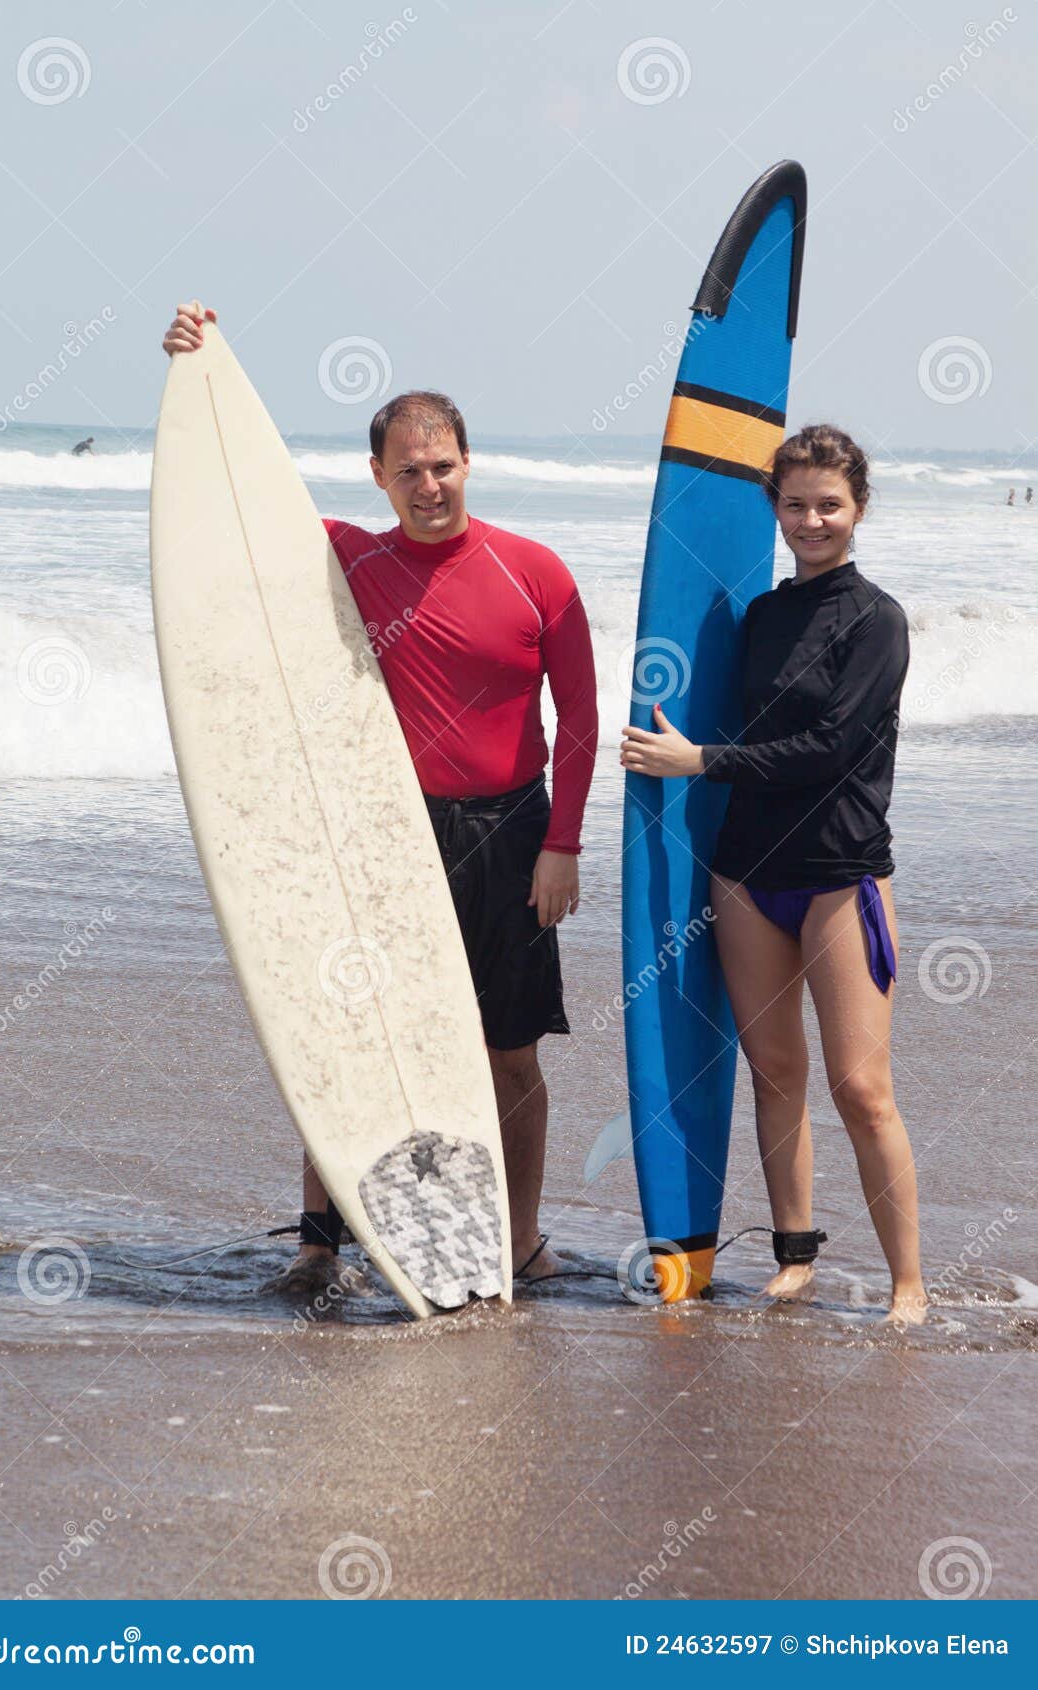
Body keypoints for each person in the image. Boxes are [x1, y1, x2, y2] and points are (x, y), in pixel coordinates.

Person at [162, 301, 598, 1296]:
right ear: (378, 477)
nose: (428, 484)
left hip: (509, 834)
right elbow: (229, 497)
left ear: (467, 461)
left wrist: (561, 844)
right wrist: (199, 369)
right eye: (407, 469)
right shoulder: (349, 557)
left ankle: (516, 1238)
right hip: (384, 836)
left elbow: (576, 717)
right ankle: (322, 1236)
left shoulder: (532, 572)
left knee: (506, 1054)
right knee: (351, 1033)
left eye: (441, 464)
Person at [620, 424, 927, 1326]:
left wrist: (699, 763)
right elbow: (719, 714)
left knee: (861, 1089)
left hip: (840, 872)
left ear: (857, 509)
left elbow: (829, 748)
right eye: (793, 504)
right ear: (774, 509)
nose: (810, 520)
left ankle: (908, 1283)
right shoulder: (759, 617)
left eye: (827, 504)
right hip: (747, 873)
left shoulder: (877, 620)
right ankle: (793, 1259)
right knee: (773, 1070)